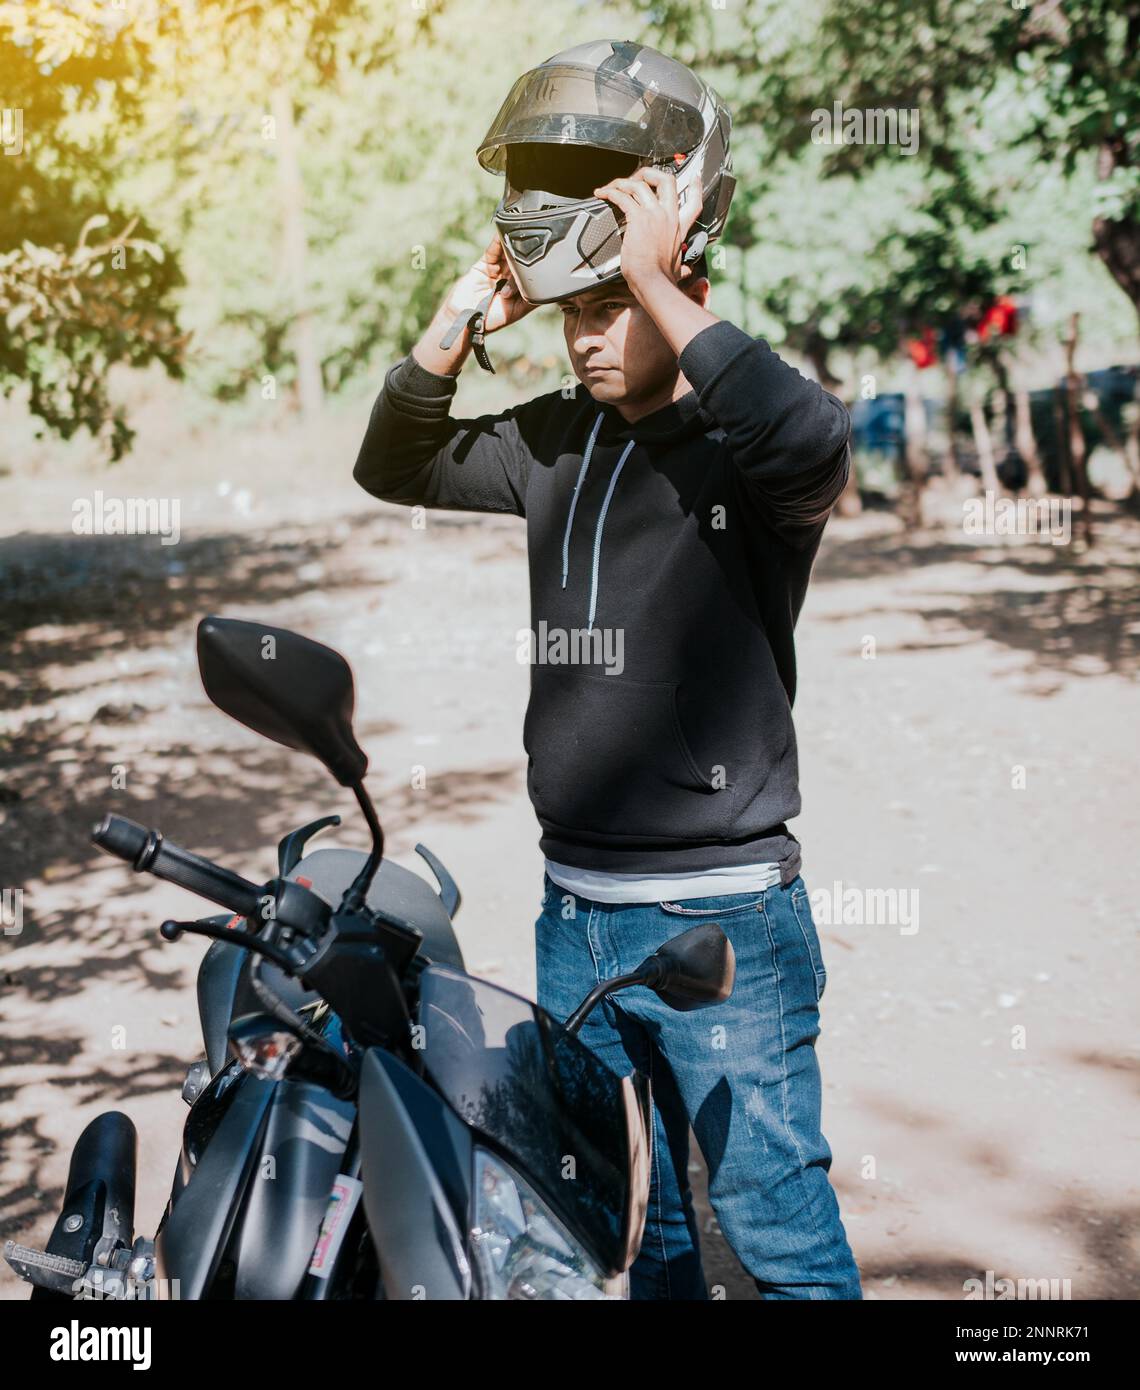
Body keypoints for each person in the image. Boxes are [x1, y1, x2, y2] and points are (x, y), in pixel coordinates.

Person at [353, 40, 861, 1300]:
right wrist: (466, 315)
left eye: (610, 309)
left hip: (724, 921)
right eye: (572, 311)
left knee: (778, 1228)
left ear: (674, 282)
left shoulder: (745, 458)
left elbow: (813, 439)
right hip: (574, 915)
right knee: (641, 1230)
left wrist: (653, 274)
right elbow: (393, 463)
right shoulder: (549, 445)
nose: (585, 338)